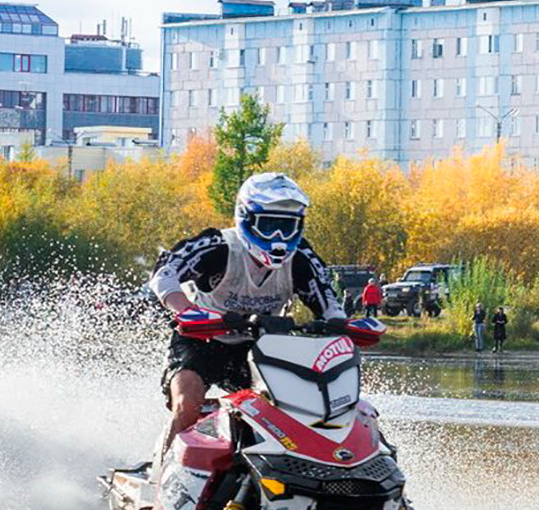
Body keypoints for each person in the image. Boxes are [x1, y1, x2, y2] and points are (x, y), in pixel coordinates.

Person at [147, 172, 371, 461]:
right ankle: (162, 472)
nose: (279, 237)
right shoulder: (218, 246)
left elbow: (327, 302)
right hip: (200, 341)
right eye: (269, 225)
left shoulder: (301, 257)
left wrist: (343, 325)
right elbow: (164, 273)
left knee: (298, 410)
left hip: (263, 347)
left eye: (287, 227)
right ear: (246, 218)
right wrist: (186, 311)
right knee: (187, 404)